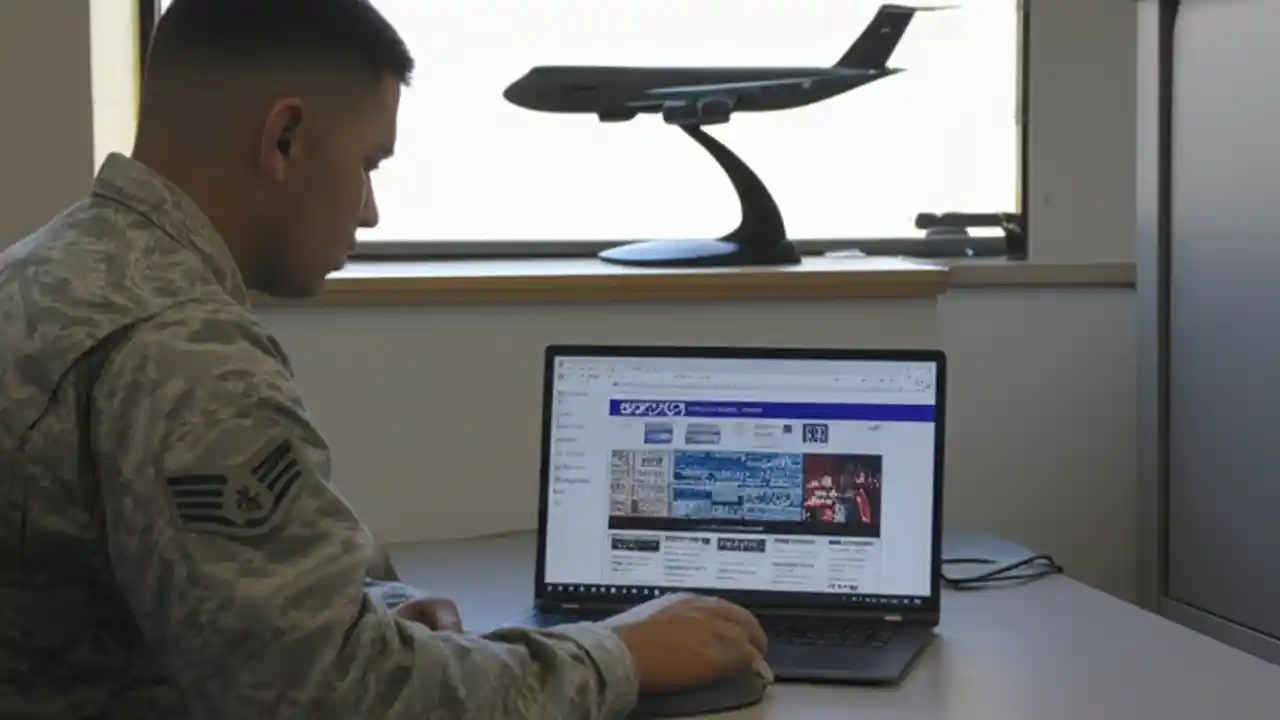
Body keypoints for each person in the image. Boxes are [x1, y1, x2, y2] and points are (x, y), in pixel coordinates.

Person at [0, 0, 768, 717]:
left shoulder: (43, 270)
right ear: (285, 139)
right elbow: (338, 696)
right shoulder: (182, 350)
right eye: (370, 163)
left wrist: (370, 605)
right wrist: (619, 654)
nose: (371, 209)